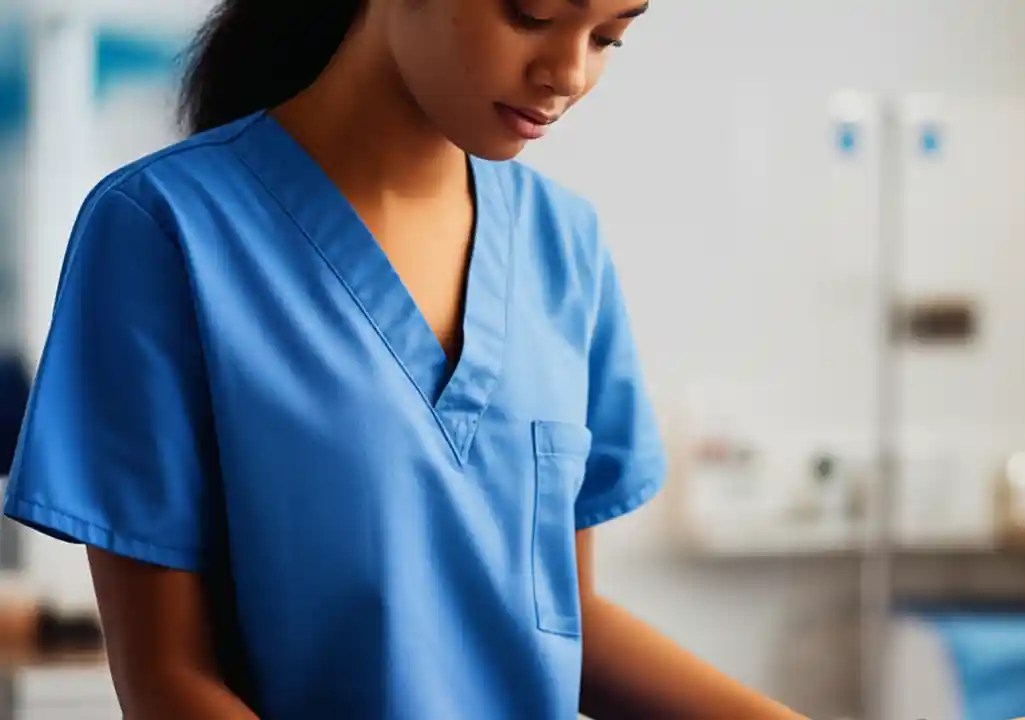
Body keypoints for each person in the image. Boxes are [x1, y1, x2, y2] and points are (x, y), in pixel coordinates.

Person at [1, 1, 807, 718]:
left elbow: (560, 621)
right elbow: (168, 679)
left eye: (609, 37)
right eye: (530, 17)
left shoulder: (564, 246)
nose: (567, 73)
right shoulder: (163, 230)